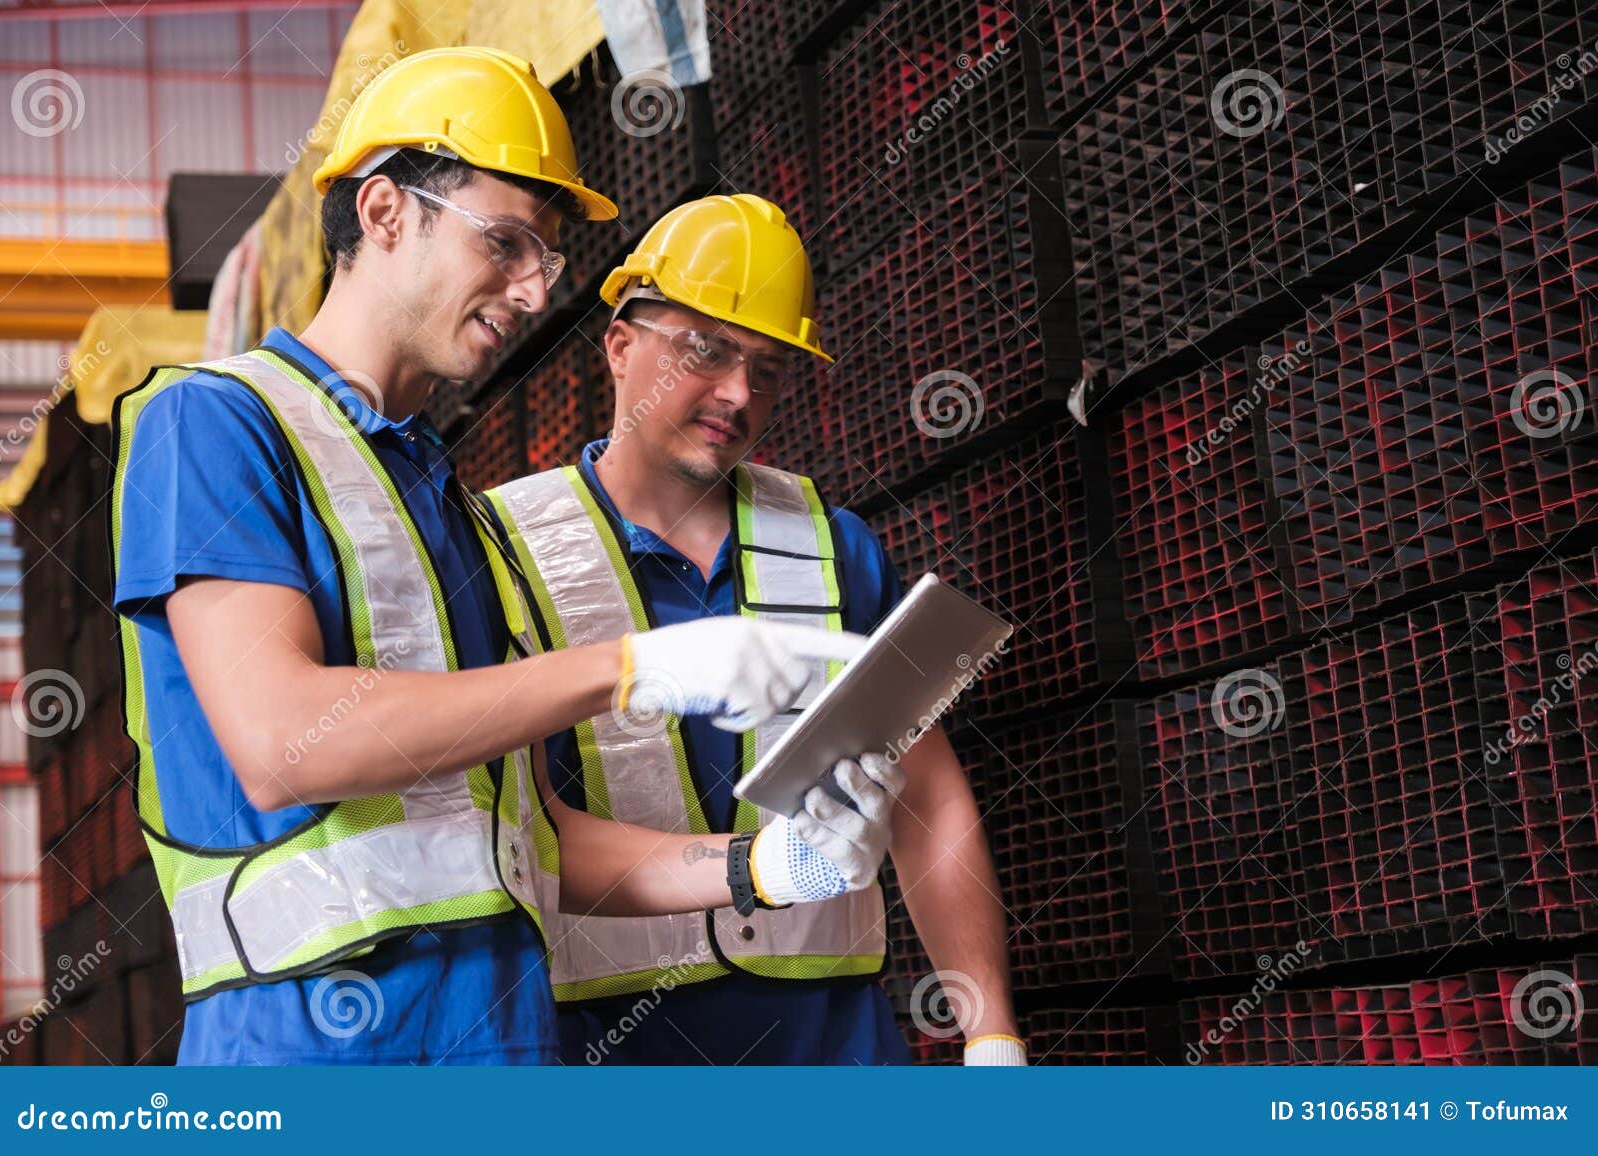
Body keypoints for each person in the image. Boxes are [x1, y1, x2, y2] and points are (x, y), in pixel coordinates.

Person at [109, 47, 895, 1066]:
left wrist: (764, 866)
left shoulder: (452, 510)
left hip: (506, 1052)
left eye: (547, 260)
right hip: (314, 1056)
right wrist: (631, 667)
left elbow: (532, 837)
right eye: (506, 243)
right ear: (384, 211)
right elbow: (283, 741)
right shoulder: (213, 426)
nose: (531, 293)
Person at [482, 194, 1026, 1065]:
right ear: (619, 346)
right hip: (613, 1056)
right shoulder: (502, 551)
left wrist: (990, 1029)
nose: (738, 394)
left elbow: (926, 794)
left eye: (767, 369)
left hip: (837, 1050)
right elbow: (513, 835)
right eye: (706, 350)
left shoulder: (834, 549)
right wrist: (756, 868)